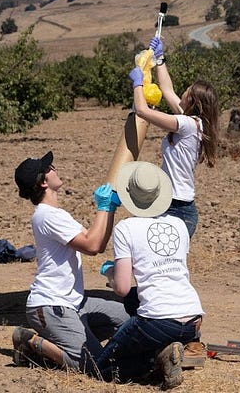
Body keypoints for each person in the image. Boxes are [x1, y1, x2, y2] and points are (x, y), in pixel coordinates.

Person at [11, 151, 129, 373]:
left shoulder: (58, 214)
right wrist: (102, 208)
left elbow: (97, 243)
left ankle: (65, 345)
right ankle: (33, 343)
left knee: (130, 321)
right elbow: (92, 246)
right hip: (51, 306)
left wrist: (109, 209)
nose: (54, 168)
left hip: (75, 303)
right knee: (95, 367)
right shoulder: (48, 216)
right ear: (44, 182)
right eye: (49, 167)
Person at [93, 161, 204, 389]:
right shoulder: (179, 224)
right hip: (193, 320)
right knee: (135, 297)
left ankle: (157, 358)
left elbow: (121, 287)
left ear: (128, 195)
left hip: (158, 321)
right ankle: (168, 349)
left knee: (101, 368)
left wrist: (110, 271)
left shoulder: (126, 228)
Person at [129, 35, 220, 239]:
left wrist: (138, 84)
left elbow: (143, 111)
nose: (183, 94)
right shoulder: (195, 122)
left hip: (176, 207)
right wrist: (159, 59)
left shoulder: (187, 124)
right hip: (168, 202)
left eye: (187, 92)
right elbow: (167, 90)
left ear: (193, 101)